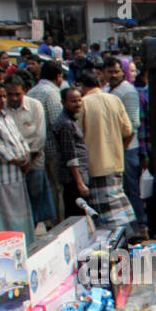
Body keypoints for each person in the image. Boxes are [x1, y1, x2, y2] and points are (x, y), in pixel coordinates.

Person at [0, 81, 35, 245]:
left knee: (22, 215)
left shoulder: (5, 115)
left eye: (4, 96)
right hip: (3, 176)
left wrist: (26, 157)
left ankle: (26, 245)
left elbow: (20, 139)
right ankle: (7, 246)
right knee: (7, 219)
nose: (2, 100)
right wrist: (19, 161)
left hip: (18, 174)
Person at [77, 69, 135, 230]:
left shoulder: (84, 103)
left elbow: (78, 136)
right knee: (117, 203)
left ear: (82, 86)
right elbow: (128, 130)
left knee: (105, 214)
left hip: (96, 165)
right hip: (116, 161)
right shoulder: (114, 99)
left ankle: (122, 238)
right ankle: (128, 234)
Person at [3, 74, 55, 232]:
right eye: (10, 94)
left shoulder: (35, 106)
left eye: (17, 94)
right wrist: (16, 160)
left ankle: (32, 234)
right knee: (16, 206)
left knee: (35, 203)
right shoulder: (1, 108)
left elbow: (40, 137)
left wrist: (27, 160)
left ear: (24, 91)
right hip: (12, 166)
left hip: (34, 162)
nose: (13, 98)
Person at [103, 56, 144, 231]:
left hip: (128, 149)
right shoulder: (106, 90)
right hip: (112, 149)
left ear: (122, 72)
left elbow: (134, 124)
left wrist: (122, 148)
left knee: (131, 189)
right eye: (110, 72)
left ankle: (140, 225)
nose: (113, 75)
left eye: (116, 71)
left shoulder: (128, 91)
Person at [27, 61, 65, 222]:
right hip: (53, 150)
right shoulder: (52, 93)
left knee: (49, 189)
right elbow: (58, 122)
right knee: (59, 190)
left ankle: (52, 222)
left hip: (35, 152)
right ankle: (60, 222)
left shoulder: (31, 92)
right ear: (58, 76)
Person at [51, 88, 90, 218]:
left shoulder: (71, 120)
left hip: (76, 178)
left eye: (79, 100)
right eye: (73, 101)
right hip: (72, 180)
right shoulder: (66, 124)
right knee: (77, 215)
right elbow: (71, 156)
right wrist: (80, 183)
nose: (78, 104)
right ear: (63, 102)